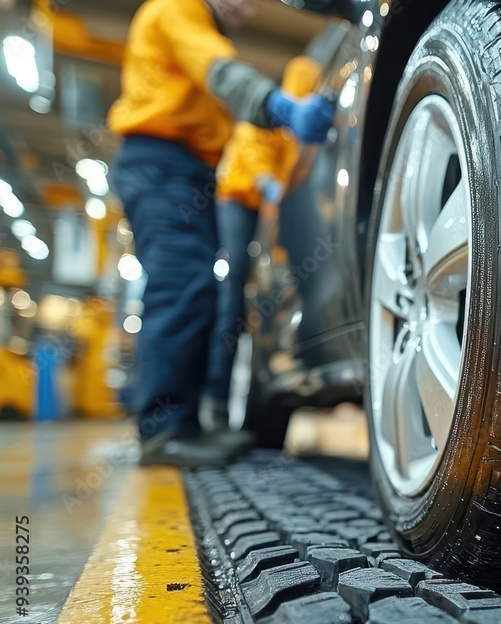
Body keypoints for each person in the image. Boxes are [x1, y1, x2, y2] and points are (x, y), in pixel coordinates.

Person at [109, 0, 334, 467]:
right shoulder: (178, 7)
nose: (250, 11)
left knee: (197, 291)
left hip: (188, 170)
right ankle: (163, 431)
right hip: (160, 162)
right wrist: (279, 107)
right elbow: (221, 73)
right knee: (180, 287)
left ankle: (183, 424)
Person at [201, 55, 322, 434]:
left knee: (259, 296)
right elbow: (253, 154)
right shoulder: (270, 117)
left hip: (268, 209)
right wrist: (268, 184)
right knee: (234, 282)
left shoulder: (298, 132)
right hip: (238, 199)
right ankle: (214, 401)